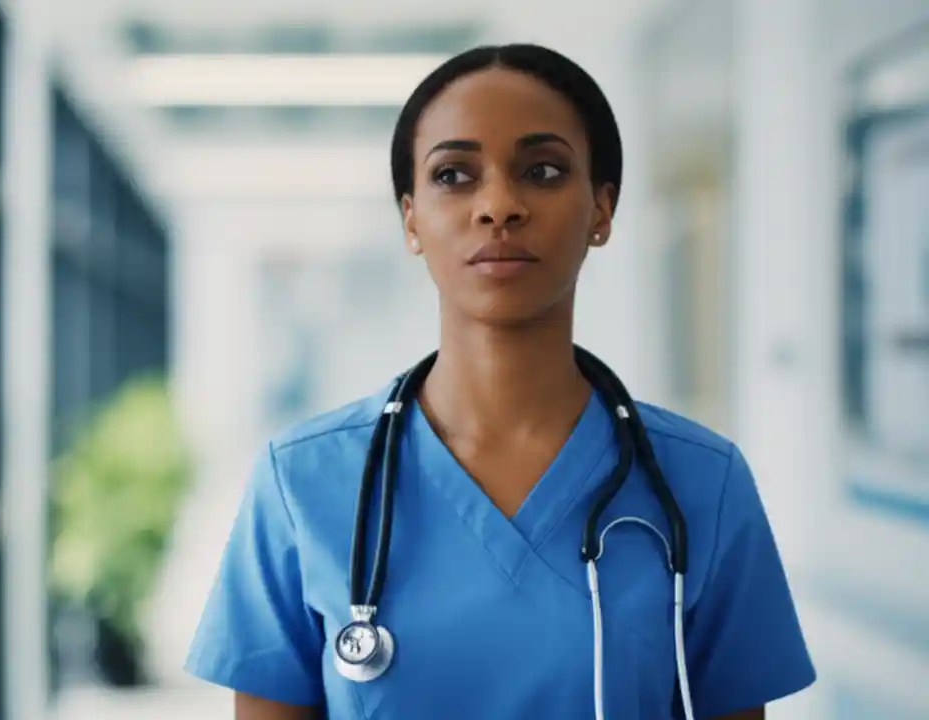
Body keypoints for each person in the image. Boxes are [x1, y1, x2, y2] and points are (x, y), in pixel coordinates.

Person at [184, 43, 816, 719]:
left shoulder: (704, 484)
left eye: (543, 171)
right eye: (454, 175)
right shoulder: (301, 483)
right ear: (411, 220)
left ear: (601, 211)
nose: (499, 205)